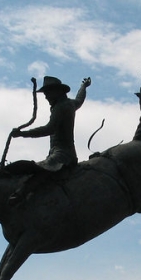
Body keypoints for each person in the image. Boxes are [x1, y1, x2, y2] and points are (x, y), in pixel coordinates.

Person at [8, 75, 91, 204]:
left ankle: (20, 194)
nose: (46, 97)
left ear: (57, 92)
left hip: (62, 155)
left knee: (42, 170)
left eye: (47, 93)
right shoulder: (69, 104)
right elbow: (79, 100)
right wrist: (83, 86)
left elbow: (49, 129)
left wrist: (22, 134)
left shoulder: (61, 107)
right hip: (63, 153)